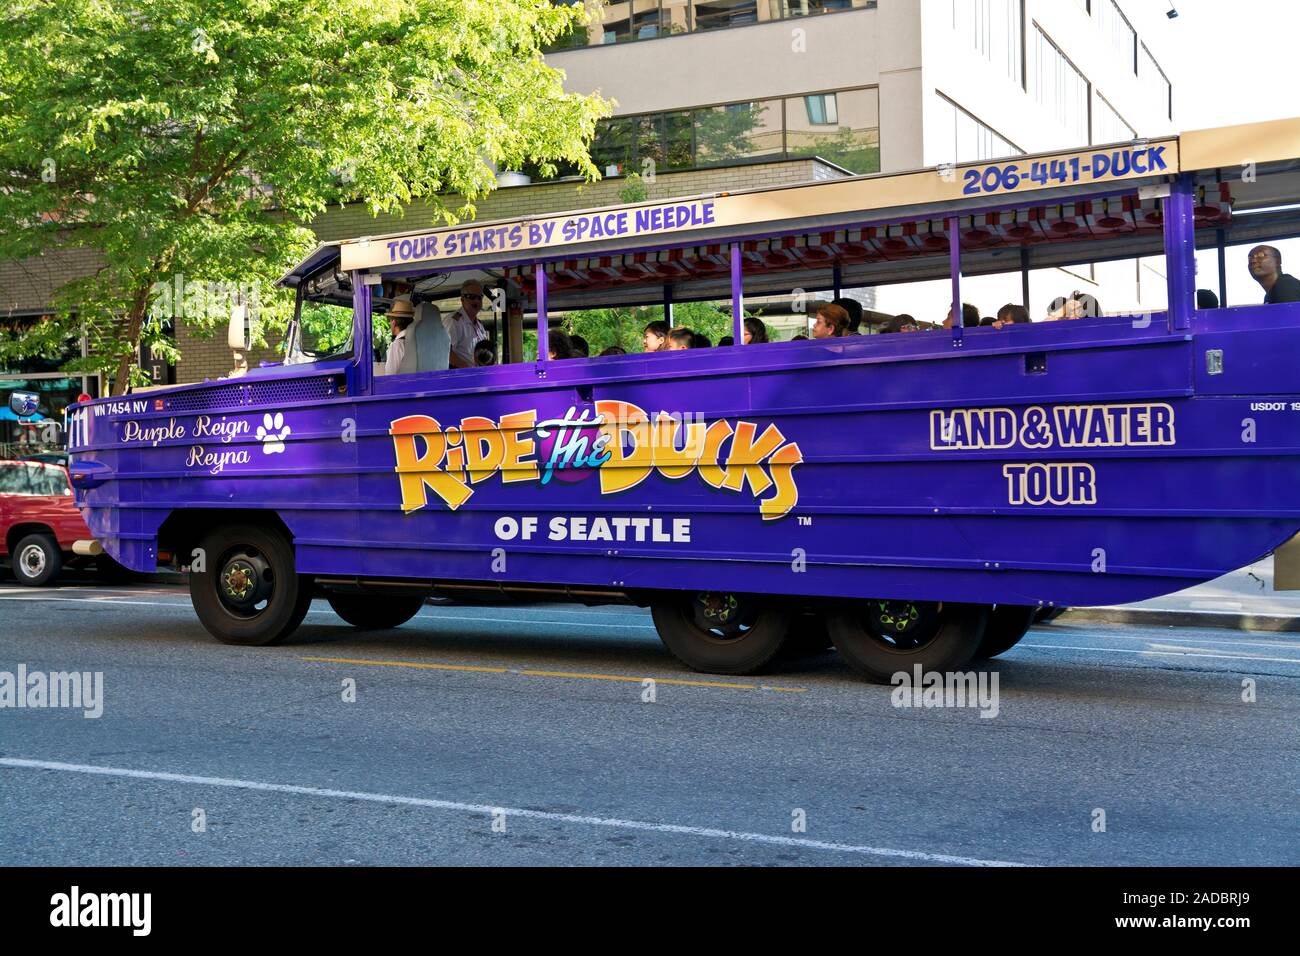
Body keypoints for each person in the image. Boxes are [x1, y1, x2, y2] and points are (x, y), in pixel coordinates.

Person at [441, 280, 489, 368]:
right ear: (462, 299)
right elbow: (445, 350)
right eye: (472, 297)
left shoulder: (479, 325)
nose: (476, 301)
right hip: (462, 377)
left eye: (479, 297)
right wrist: (467, 368)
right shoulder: (454, 321)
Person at [383, 296, 415, 374]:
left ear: (394, 322)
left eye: (390, 321)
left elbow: (390, 376)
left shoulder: (397, 345)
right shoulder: (418, 340)